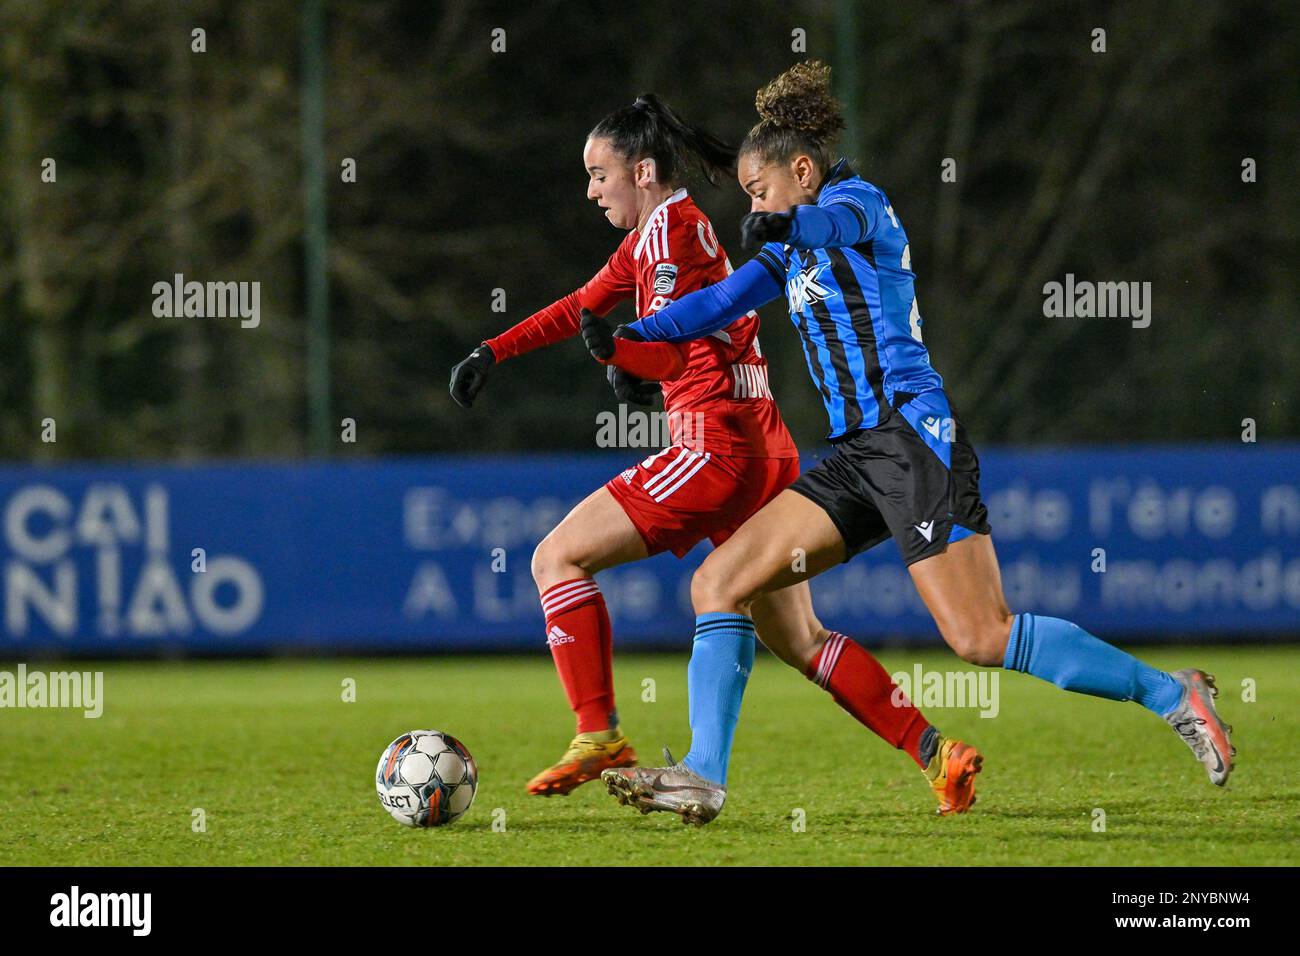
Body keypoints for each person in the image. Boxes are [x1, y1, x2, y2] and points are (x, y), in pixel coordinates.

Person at [592, 62, 1234, 824]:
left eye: (760, 191)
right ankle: (703, 772)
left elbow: (830, 224)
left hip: (913, 439)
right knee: (721, 583)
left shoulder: (858, 204)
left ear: (802, 171)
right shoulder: (785, 245)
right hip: (859, 456)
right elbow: (718, 302)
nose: (755, 206)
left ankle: (1172, 693)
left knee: (981, 637)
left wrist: (792, 222)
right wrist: (626, 341)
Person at [450, 93, 982, 817]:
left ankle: (599, 731)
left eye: (597, 173)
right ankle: (935, 752)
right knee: (799, 637)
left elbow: (694, 335)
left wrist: (646, 366)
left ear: (641, 170)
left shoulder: (670, 231)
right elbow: (588, 307)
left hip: (714, 446)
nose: (590, 189)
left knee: (555, 559)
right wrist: (495, 350)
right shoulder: (658, 236)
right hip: (764, 449)